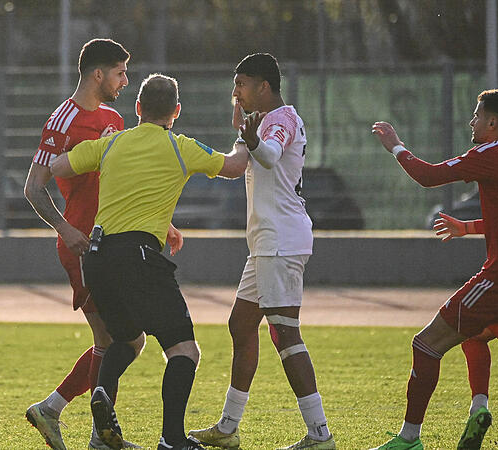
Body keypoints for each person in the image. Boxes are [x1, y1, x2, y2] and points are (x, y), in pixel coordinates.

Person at [50, 73, 251, 450]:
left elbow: (59, 166)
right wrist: (241, 129)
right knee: (184, 350)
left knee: (126, 339)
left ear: (137, 108)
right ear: (175, 111)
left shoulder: (110, 144)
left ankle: (103, 393)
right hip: (139, 257)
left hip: (96, 256)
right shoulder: (180, 147)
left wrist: (92, 152)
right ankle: (172, 439)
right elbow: (236, 166)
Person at [368, 88, 498, 450]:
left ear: (492, 122)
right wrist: (466, 227)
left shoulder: (490, 154)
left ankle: (409, 439)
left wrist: (395, 145)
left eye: (476, 115)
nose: (471, 122)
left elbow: (428, 176)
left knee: (425, 345)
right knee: (475, 335)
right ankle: (478, 408)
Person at [24, 38, 181, 450]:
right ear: (99, 74)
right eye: (120, 73)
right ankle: (94, 433)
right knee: (118, 340)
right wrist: (65, 229)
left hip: (111, 241)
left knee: (118, 339)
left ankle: (57, 412)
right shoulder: (63, 120)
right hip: (83, 244)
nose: (126, 81)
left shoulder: (112, 116)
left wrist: (164, 224)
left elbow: (127, 175)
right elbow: (33, 188)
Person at [188, 53, 336, 450]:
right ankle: (228, 426)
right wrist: (240, 138)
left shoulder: (281, 118)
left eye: (242, 84)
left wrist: (251, 138)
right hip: (267, 244)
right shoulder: (259, 122)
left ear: (263, 87)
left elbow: (268, 157)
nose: (235, 92)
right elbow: (243, 161)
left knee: (285, 333)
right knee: (241, 324)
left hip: (281, 241)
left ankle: (319, 433)